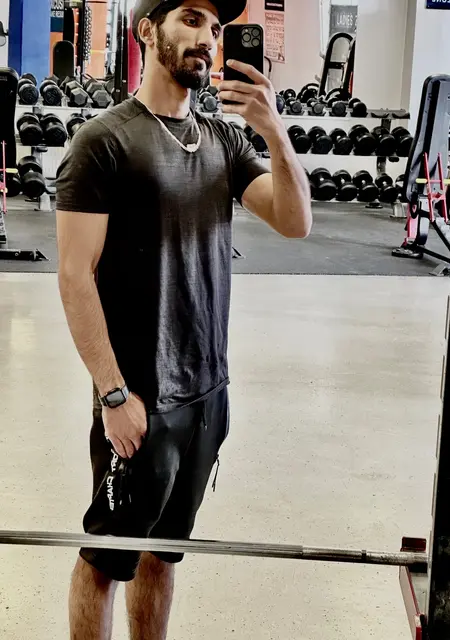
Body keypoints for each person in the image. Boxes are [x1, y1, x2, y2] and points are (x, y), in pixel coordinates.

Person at [56, 0, 312, 637]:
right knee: (106, 558)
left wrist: (274, 131)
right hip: (140, 397)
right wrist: (113, 394)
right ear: (147, 30)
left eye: (216, 28)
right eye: (191, 19)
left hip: (207, 395)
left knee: (165, 552)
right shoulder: (103, 142)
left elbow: (295, 221)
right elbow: (75, 276)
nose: (208, 38)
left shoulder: (224, 140)